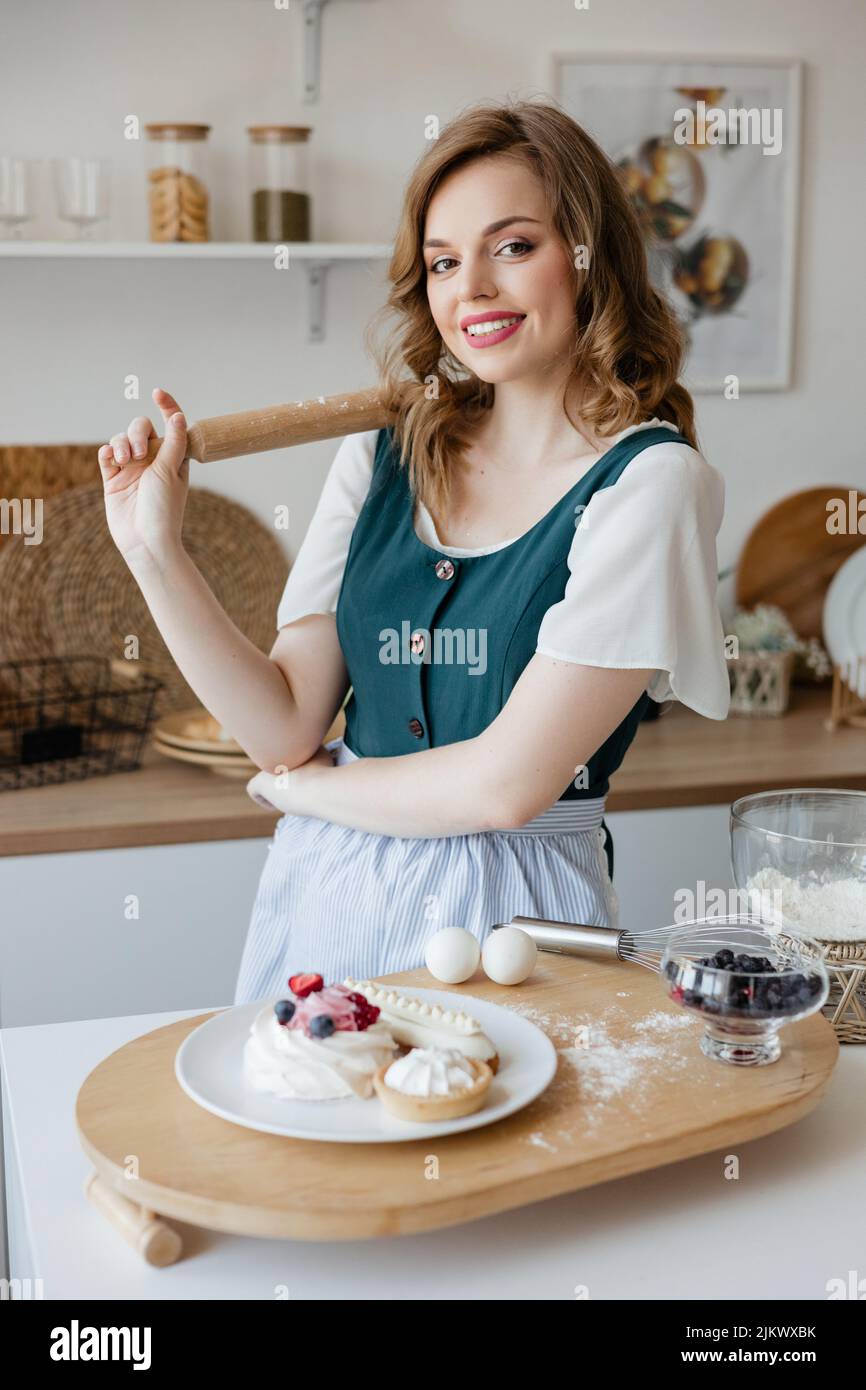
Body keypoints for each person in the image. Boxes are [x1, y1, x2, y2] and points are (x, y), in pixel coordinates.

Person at [97, 98, 729, 1001]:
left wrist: (305, 792)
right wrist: (154, 550)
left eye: (512, 247)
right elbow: (281, 724)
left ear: (590, 260)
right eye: (443, 261)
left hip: (517, 924)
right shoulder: (384, 454)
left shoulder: (649, 485)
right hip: (329, 893)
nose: (470, 289)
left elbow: (504, 787)